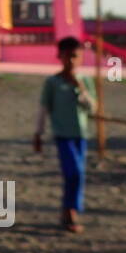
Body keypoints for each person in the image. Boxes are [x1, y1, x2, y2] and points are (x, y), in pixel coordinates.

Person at [33, 36, 96, 233]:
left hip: (81, 135)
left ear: (81, 57)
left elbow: (93, 108)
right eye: (67, 56)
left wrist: (81, 90)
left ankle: (67, 210)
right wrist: (38, 133)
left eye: (75, 56)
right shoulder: (52, 82)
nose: (71, 61)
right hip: (63, 135)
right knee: (74, 172)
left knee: (78, 174)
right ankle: (71, 212)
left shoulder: (85, 80)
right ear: (59, 56)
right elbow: (44, 108)